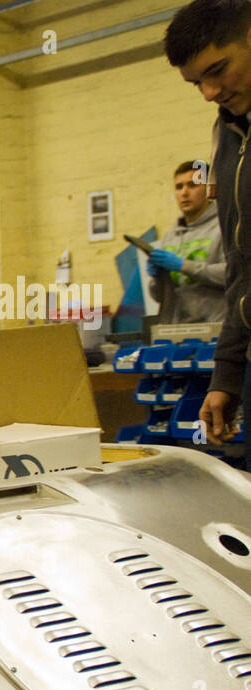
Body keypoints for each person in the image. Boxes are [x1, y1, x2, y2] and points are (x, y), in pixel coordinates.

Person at [165, 0, 251, 446]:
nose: (209, 92)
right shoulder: (228, 135)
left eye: (218, 70)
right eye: (197, 82)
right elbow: (242, 266)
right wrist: (227, 374)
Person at [146, 160, 227, 326]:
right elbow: (159, 297)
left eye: (192, 185)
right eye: (179, 187)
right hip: (179, 330)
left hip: (218, 330)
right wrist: (156, 280)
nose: (184, 193)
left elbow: (232, 275)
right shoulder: (171, 237)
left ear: (209, 188)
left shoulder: (225, 228)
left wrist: (184, 266)